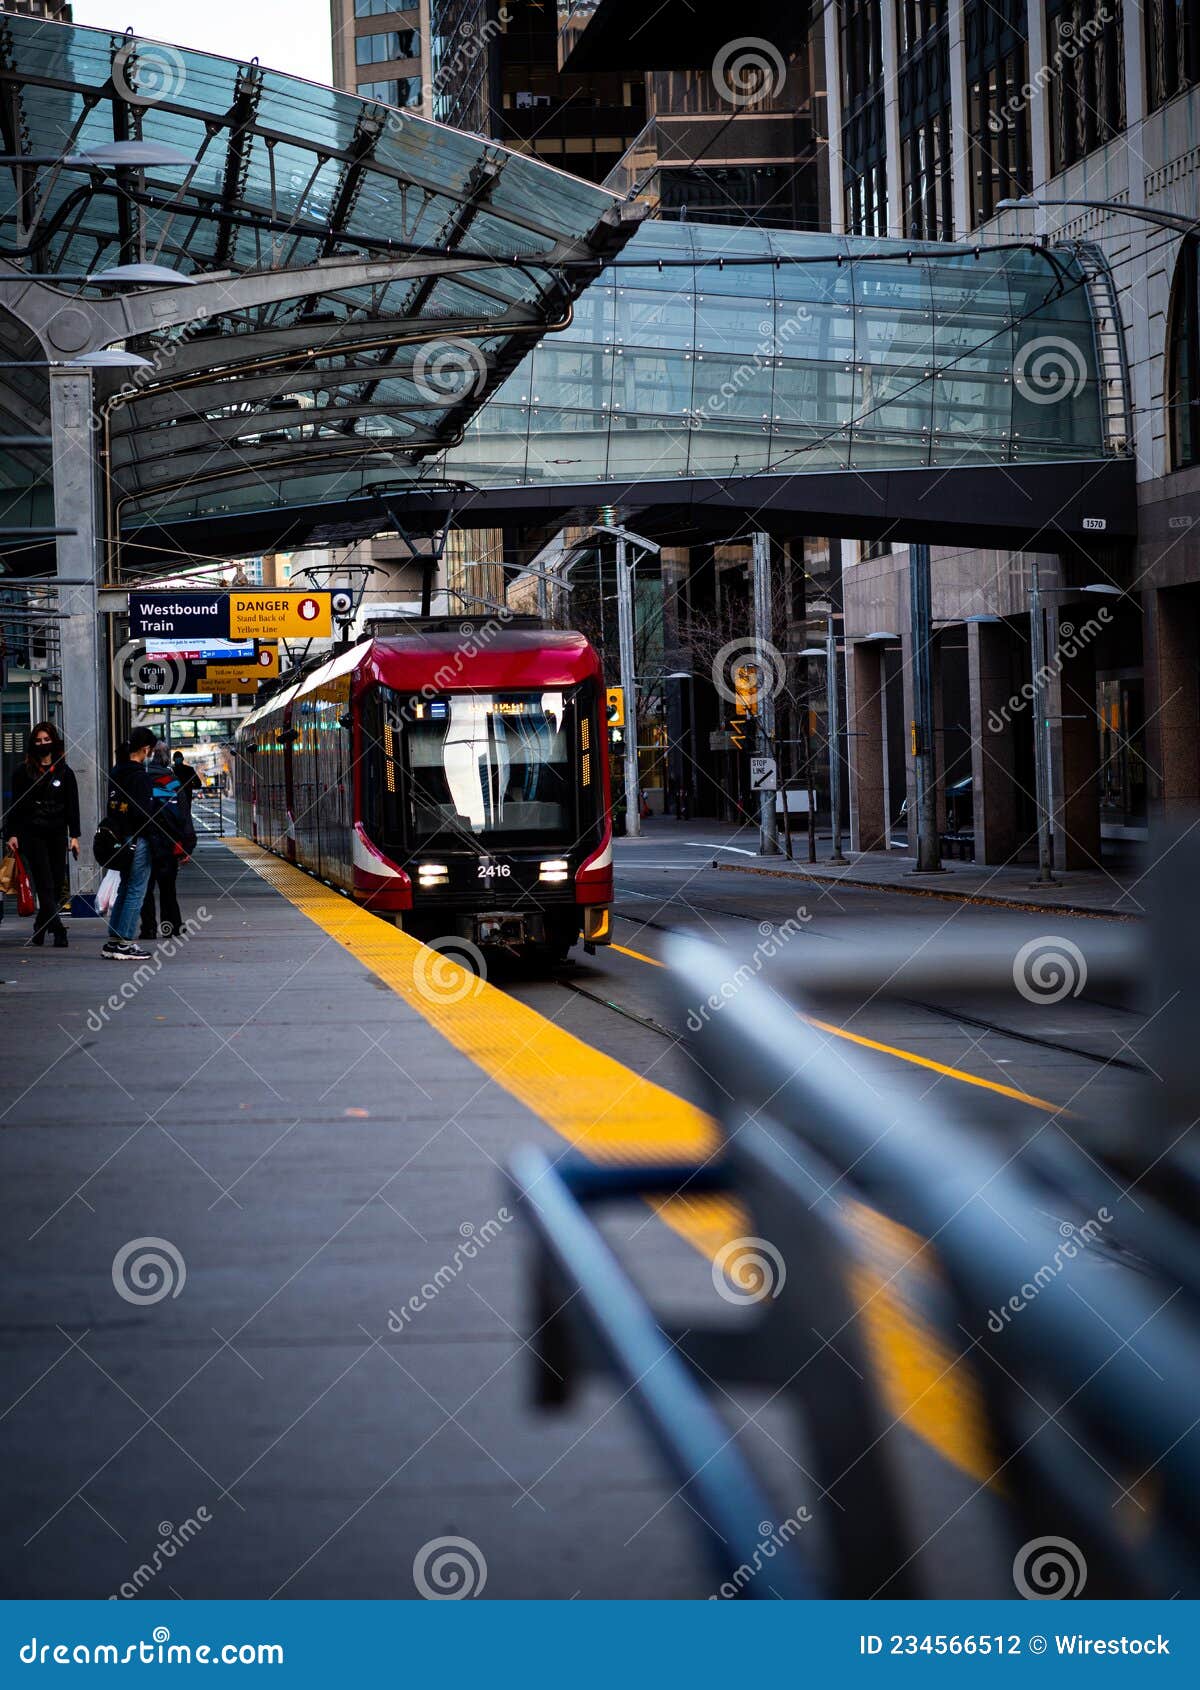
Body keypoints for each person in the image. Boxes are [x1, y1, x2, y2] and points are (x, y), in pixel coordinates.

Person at [4, 721, 80, 948]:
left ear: (54, 741)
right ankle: (58, 930)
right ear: (32, 744)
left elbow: (72, 806)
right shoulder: (22, 772)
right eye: (38, 741)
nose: (43, 744)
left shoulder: (65, 772)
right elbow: (15, 805)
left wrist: (74, 836)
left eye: (46, 740)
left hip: (57, 833)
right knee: (45, 883)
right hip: (32, 833)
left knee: (56, 883)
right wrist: (12, 833)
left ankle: (40, 925)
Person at [102, 726, 158, 962]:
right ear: (146, 749)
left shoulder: (116, 772)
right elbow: (144, 813)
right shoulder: (140, 777)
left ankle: (114, 941)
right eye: (151, 750)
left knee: (125, 888)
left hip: (118, 838)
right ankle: (125, 942)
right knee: (136, 890)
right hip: (137, 839)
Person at [140, 745, 195, 940]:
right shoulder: (172, 783)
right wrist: (187, 845)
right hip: (168, 843)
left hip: (145, 842)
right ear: (167, 760)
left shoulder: (142, 781)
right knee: (168, 888)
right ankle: (171, 926)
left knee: (145, 888)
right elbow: (183, 815)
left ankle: (148, 928)